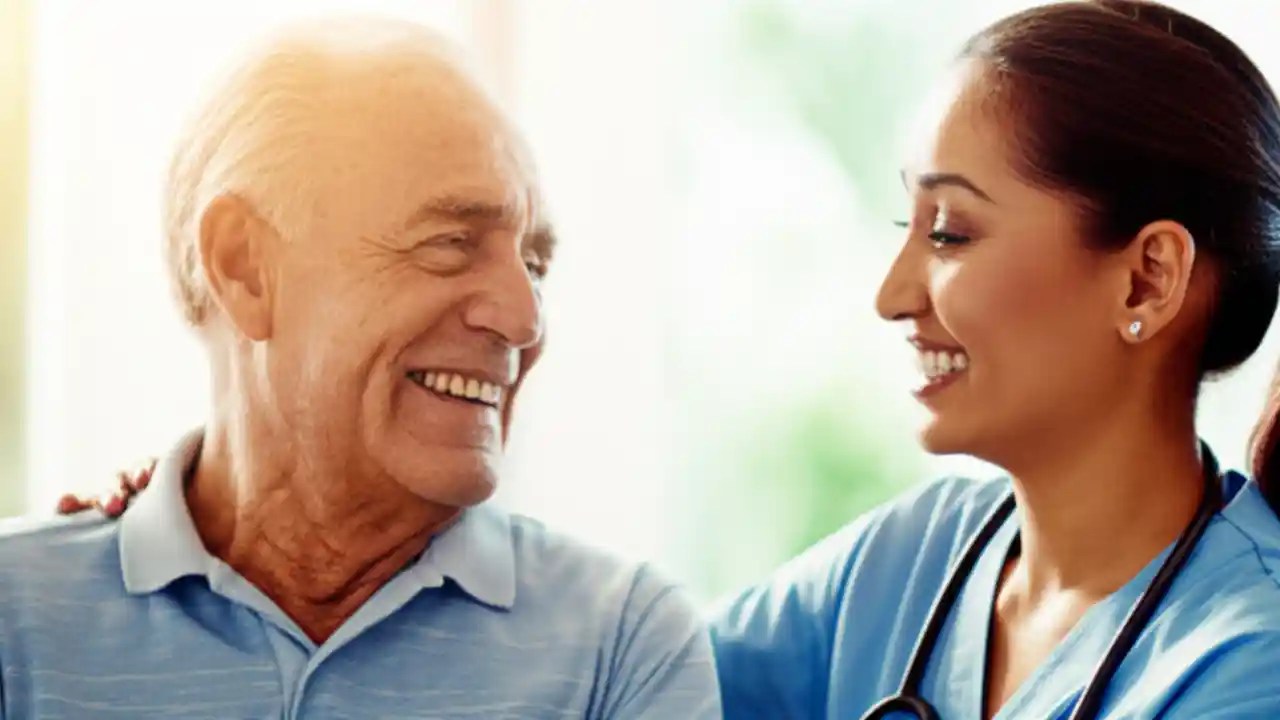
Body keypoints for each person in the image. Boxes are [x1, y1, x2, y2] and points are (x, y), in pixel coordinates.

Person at [9, 16, 720, 719]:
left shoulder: (620, 646)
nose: (524, 319)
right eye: (450, 242)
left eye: (534, 264)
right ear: (246, 269)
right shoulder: (18, 620)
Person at [708, 1, 1280, 718]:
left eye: (949, 233)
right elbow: (624, 680)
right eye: (907, 225)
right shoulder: (912, 560)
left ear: (1148, 279)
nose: (891, 296)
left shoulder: (1253, 660)